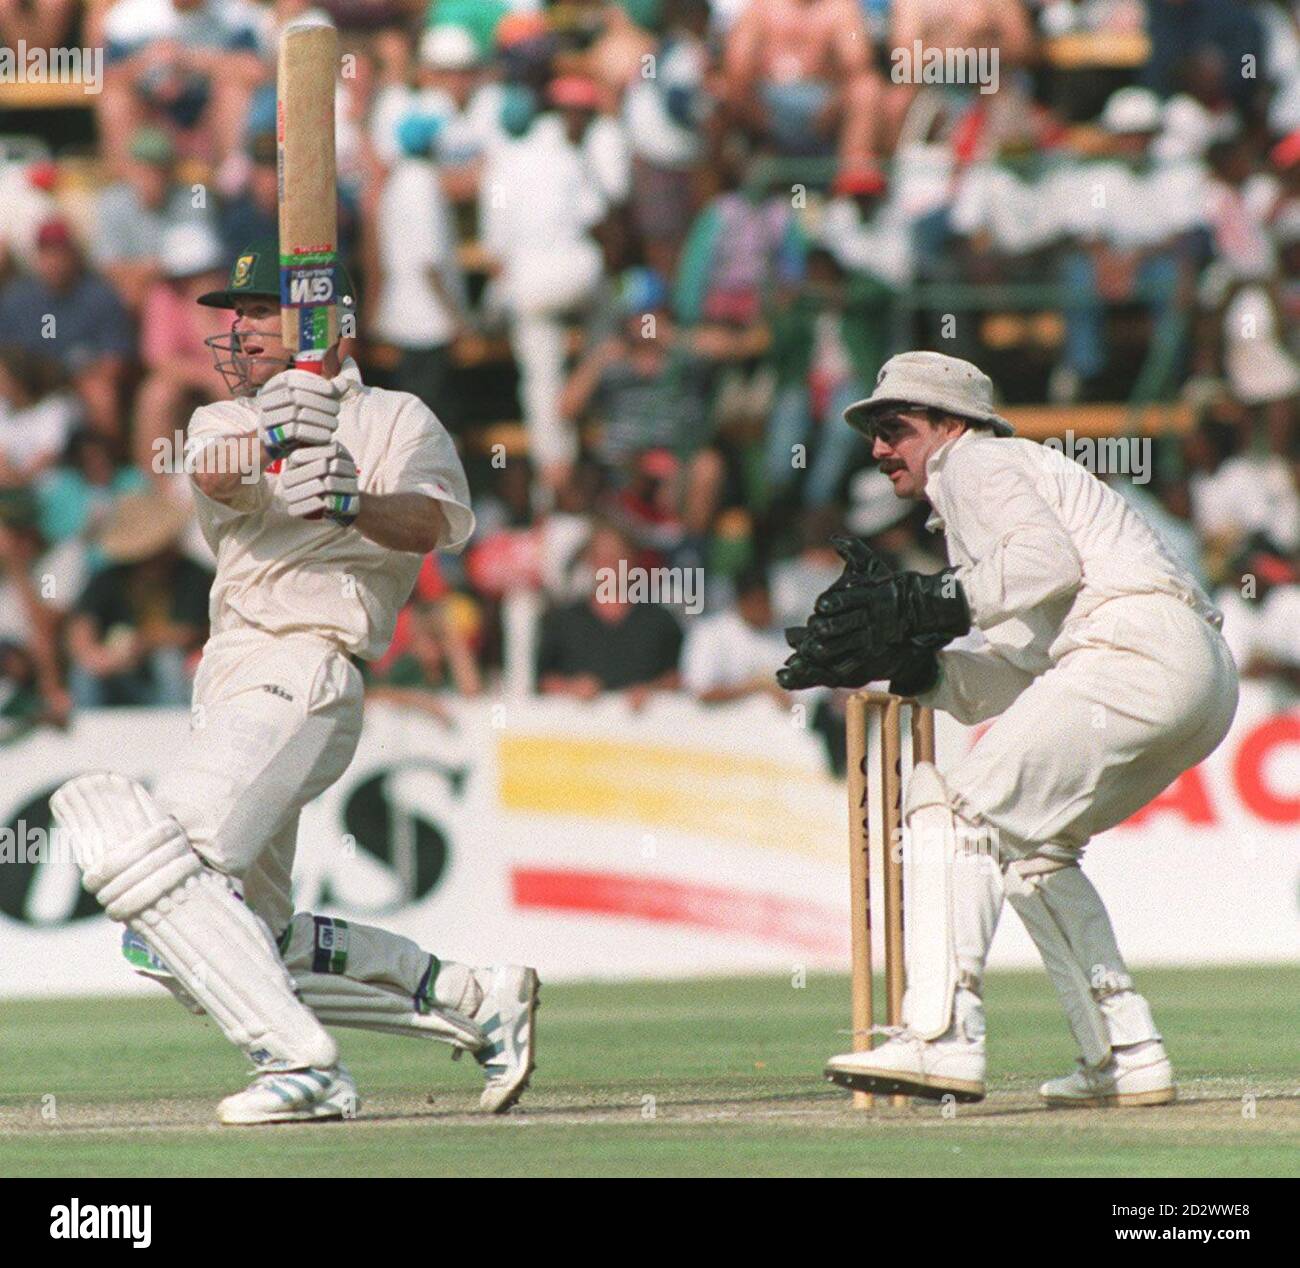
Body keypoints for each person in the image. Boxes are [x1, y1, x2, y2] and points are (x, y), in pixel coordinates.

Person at [50, 243, 538, 1126]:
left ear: (327, 326)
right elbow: (214, 474)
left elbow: (431, 522)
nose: (235, 331)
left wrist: (354, 501)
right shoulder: (222, 418)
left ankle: (301, 1065)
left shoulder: (398, 416)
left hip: (307, 661)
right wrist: (279, 432)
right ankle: (467, 995)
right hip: (230, 672)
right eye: (232, 314)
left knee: (168, 867)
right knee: (208, 940)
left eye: (259, 312)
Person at [780, 350, 1239, 1107]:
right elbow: (1027, 669)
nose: (878, 448)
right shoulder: (987, 497)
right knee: (1035, 851)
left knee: (955, 813)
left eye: (896, 429)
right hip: (1188, 673)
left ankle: (941, 1038)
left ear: (951, 425)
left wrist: (927, 602)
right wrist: (918, 666)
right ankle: (1126, 1053)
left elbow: (1041, 566)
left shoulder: (977, 463)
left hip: (1133, 648)